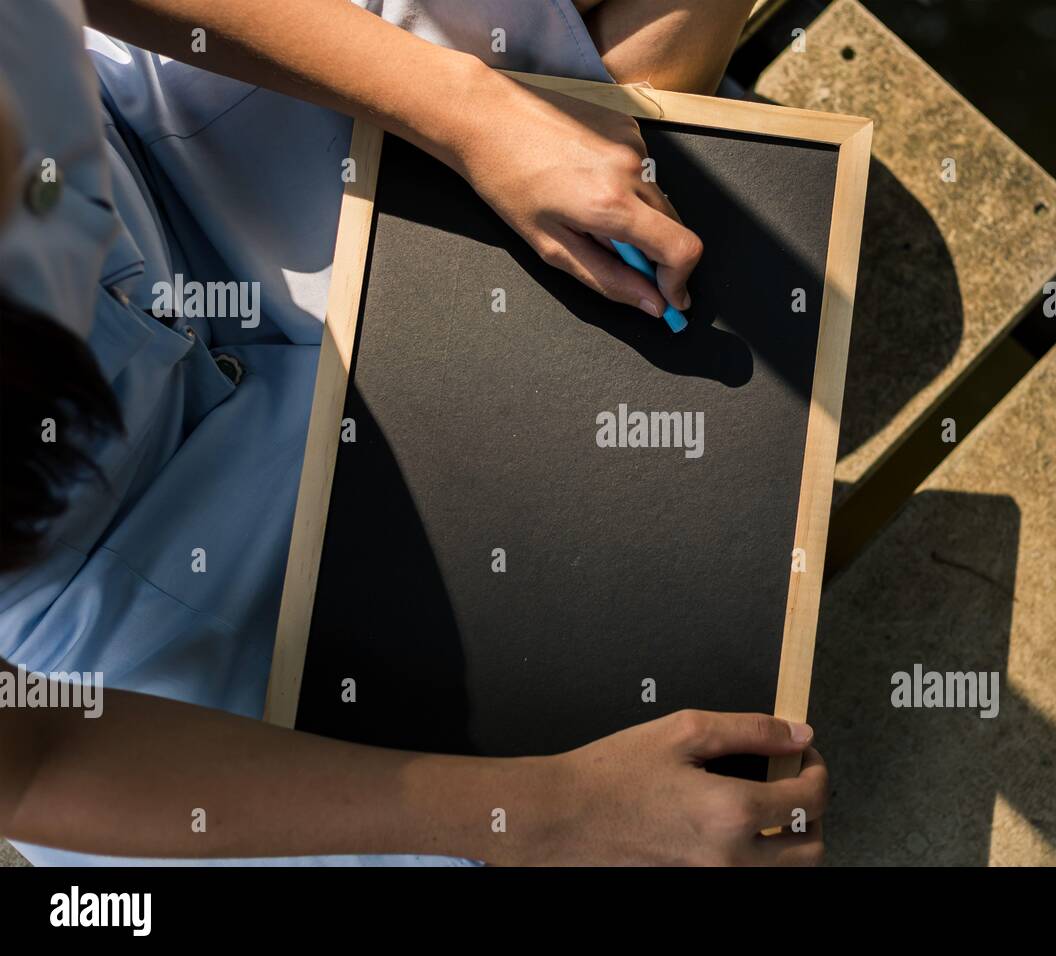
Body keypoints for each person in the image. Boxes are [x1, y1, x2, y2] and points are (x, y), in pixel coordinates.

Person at [0, 0, 827, 866]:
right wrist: (550, 810)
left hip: (144, 147)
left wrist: (472, 113)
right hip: (118, 602)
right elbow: (31, 766)